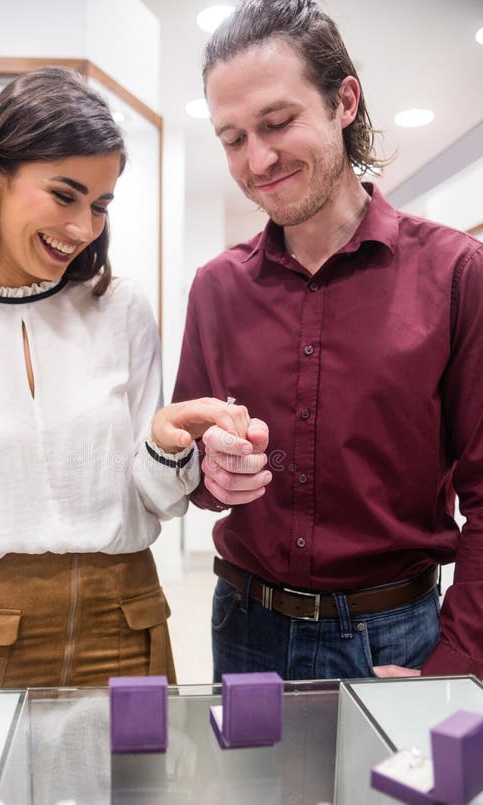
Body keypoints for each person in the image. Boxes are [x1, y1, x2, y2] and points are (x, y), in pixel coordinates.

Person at [0, 66, 249, 711]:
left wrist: (166, 450)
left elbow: (159, 501)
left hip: (130, 627)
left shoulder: (121, 309)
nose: (83, 228)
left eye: (101, 205)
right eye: (65, 195)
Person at [171, 0, 483, 681]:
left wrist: (460, 657)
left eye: (278, 122)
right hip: (244, 627)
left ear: (344, 101)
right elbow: (196, 473)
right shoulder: (216, 288)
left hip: (399, 637)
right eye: (232, 138)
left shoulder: (455, 272)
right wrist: (206, 472)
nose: (257, 159)